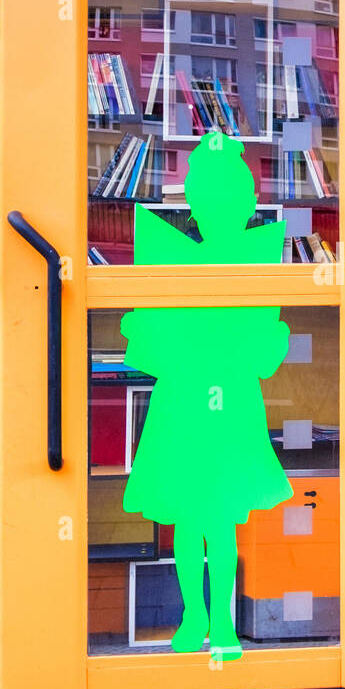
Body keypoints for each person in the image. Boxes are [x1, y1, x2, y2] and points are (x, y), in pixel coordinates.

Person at [121, 132, 292, 661]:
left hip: (230, 400)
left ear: (247, 204)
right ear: (193, 202)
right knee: (192, 514)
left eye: (233, 197)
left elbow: (262, 354)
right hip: (186, 399)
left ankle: (221, 618)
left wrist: (273, 336)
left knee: (218, 514)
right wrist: (141, 328)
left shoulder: (256, 255)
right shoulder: (173, 256)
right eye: (210, 196)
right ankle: (196, 612)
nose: (222, 206)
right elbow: (149, 351)